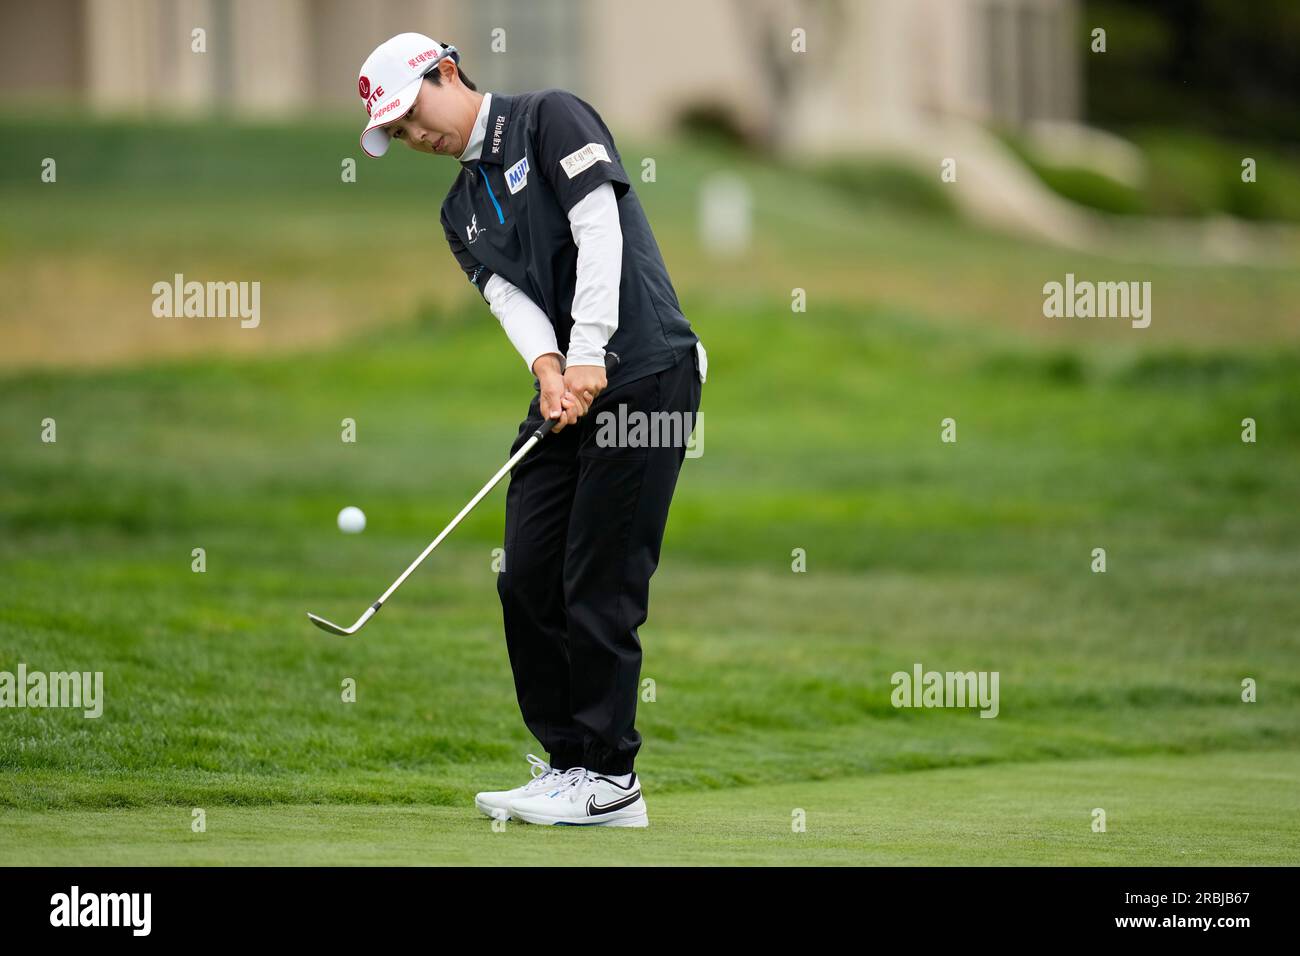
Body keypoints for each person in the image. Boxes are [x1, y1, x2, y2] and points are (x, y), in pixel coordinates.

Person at [357, 33, 706, 827]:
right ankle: (569, 763)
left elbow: (598, 230)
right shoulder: (458, 210)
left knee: (599, 576)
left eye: (416, 115)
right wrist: (551, 370)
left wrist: (587, 354)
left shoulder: (551, 118)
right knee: (526, 573)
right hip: (570, 387)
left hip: (646, 372)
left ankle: (611, 777)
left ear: (446, 72)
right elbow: (511, 301)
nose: (419, 137)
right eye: (403, 135)